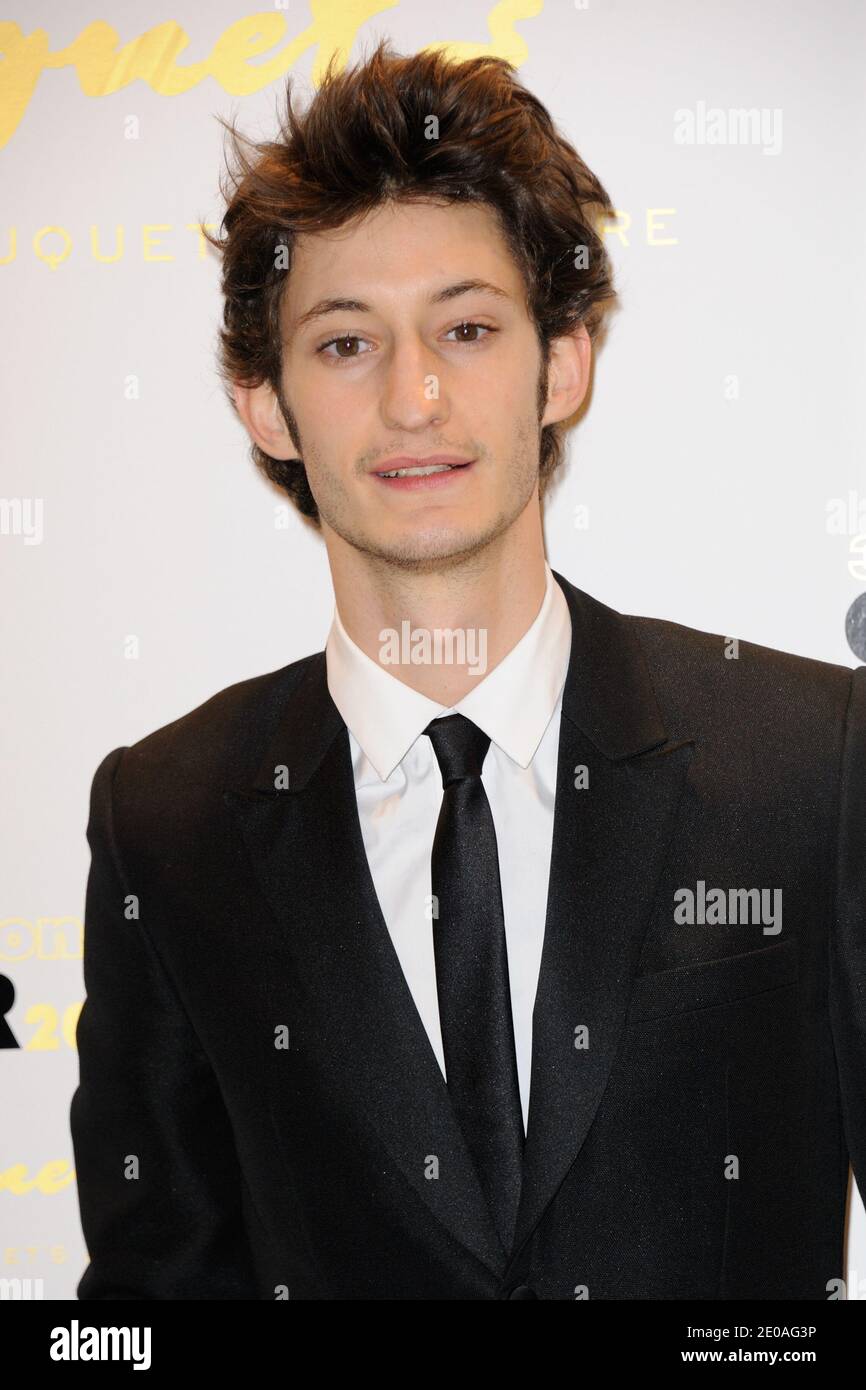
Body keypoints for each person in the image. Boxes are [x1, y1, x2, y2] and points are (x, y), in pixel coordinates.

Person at [70, 39, 866, 1300]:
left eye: (468, 327)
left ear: (561, 364)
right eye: (344, 344)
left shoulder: (810, 759)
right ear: (264, 405)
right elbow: (154, 1296)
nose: (415, 396)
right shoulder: (164, 819)